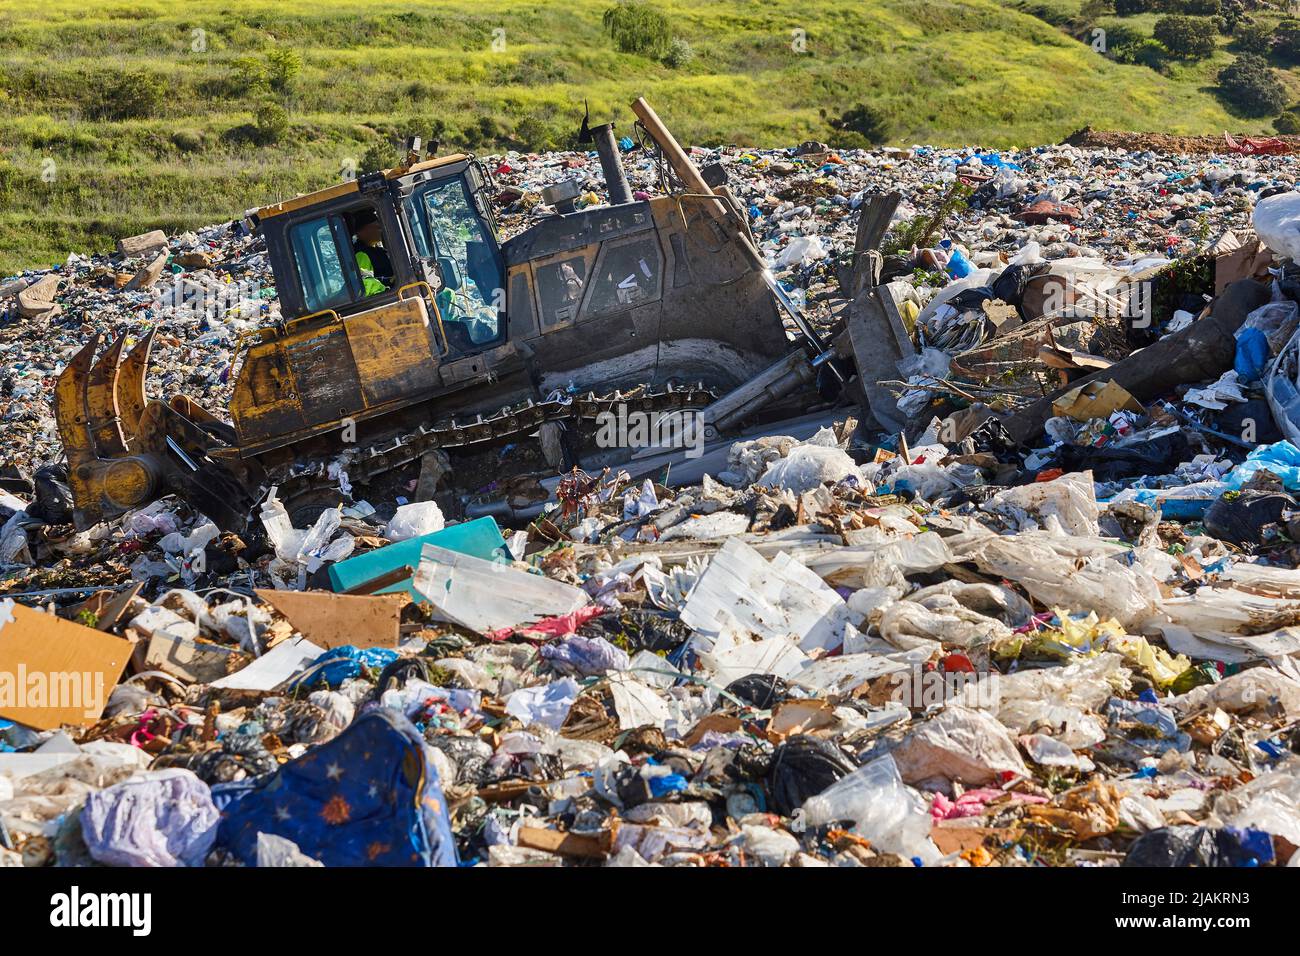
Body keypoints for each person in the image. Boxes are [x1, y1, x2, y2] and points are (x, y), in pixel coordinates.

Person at [352, 212, 393, 296]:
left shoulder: (380, 251)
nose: (381, 230)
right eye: (377, 227)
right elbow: (366, 285)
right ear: (362, 231)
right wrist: (385, 289)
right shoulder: (361, 254)